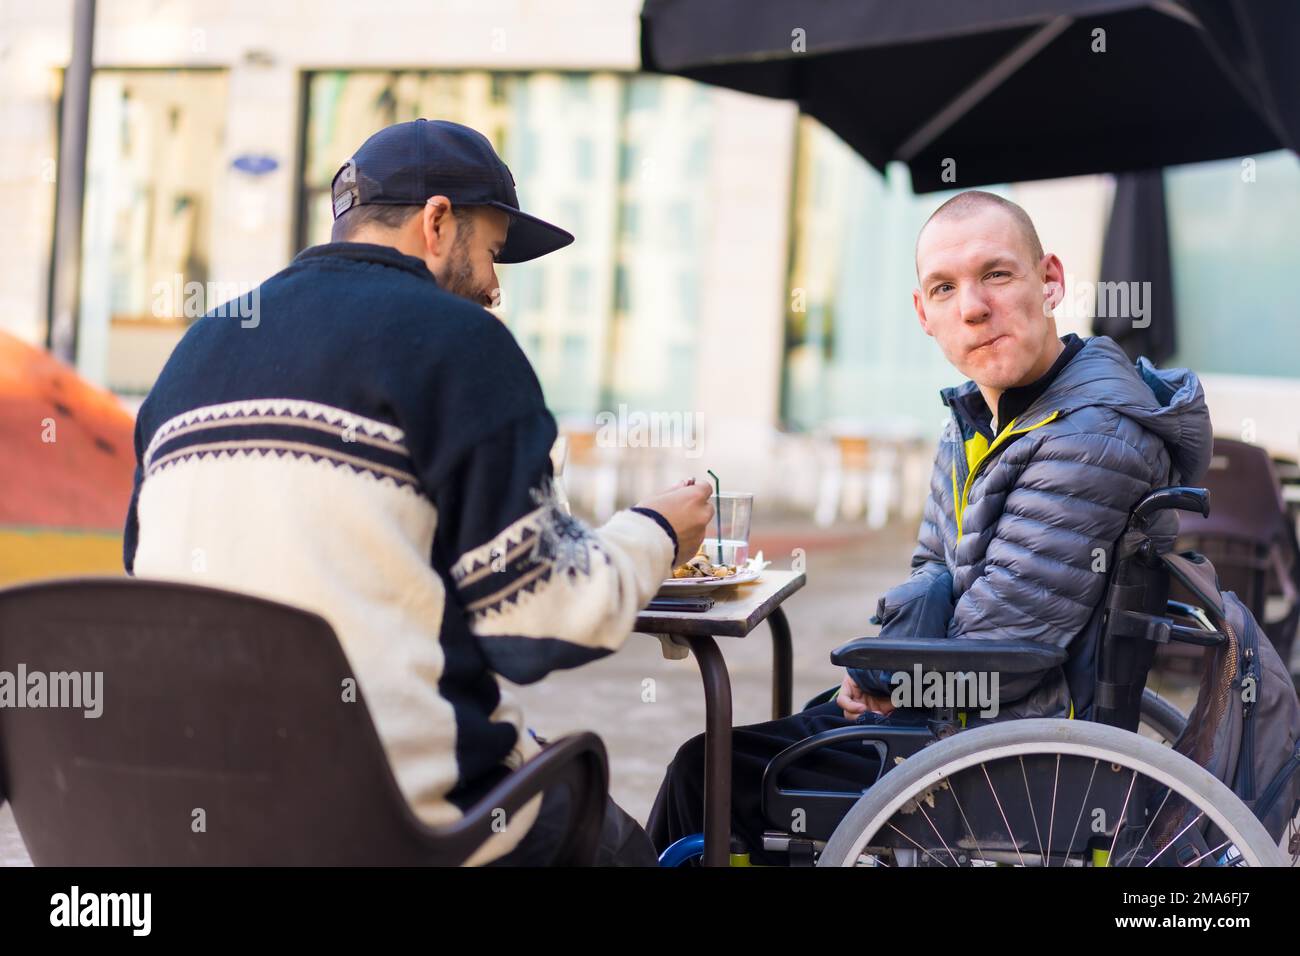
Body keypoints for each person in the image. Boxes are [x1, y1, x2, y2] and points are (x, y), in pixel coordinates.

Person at [124, 119, 714, 866]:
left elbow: (147, 574)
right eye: (495, 252)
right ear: (437, 222)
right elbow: (536, 624)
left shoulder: (197, 349)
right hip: (398, 820)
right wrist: (656, 529)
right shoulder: (459, 342)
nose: (497, 286)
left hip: (187, 808)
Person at [649, 190, 1213, 864]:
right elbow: (931, 571)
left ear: (1051, 281)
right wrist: (889, 665)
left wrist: (887, 678)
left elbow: (1009, 644)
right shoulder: (976, 417)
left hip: (1005, 756)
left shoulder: (1092, 433)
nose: (973, 306)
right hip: (955, 718)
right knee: (722, 762)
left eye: (997, 274)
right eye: (945, 288)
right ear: (925, 314)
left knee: (708, 775)